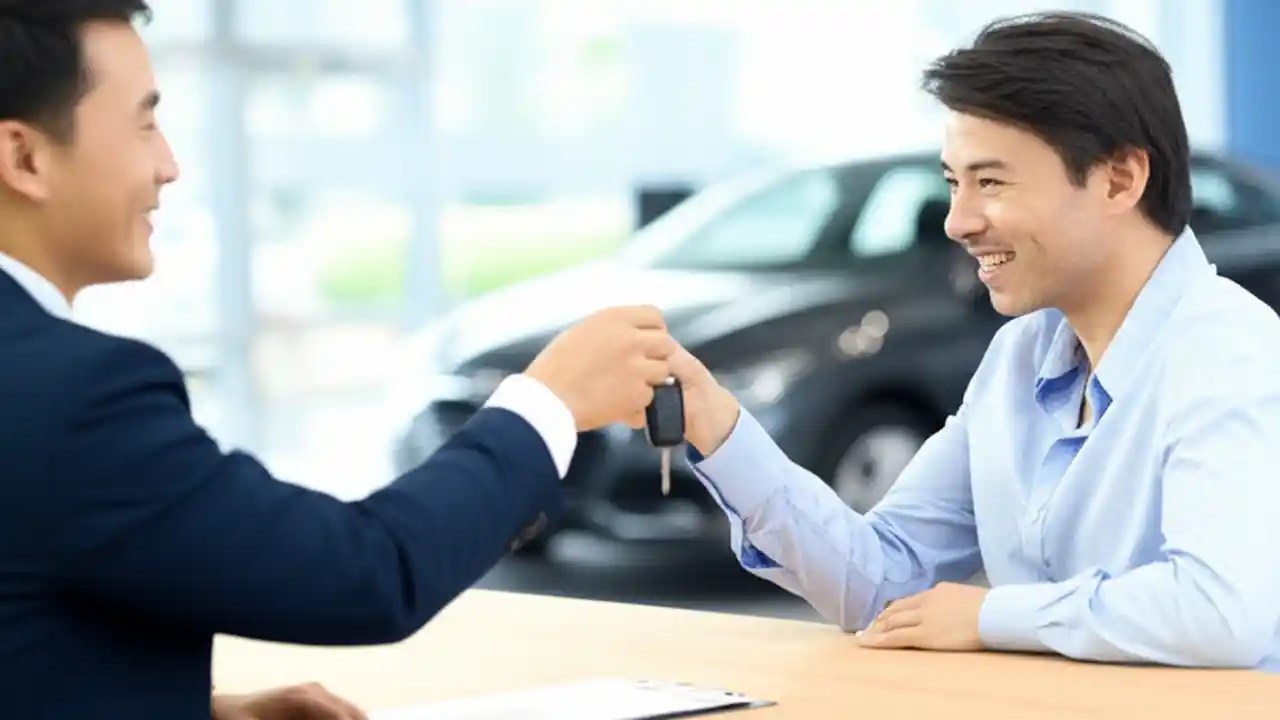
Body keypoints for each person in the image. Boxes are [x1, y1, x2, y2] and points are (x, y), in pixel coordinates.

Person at [0, 2, 674, 717]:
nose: (169, 166)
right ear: (24, 158)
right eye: (144, 123)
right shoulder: (71, 395)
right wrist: (550, 405)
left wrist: (204, 710)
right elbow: (364, 573)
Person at [670, 11, 1280, 670]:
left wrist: (991, 614)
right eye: (953, 183)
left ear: (1119, 179)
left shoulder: (1230, 353)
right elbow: (878, 579)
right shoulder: (1019, 359)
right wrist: (716, 425)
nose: (958, 221)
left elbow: (1221, 613)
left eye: (991, 182)